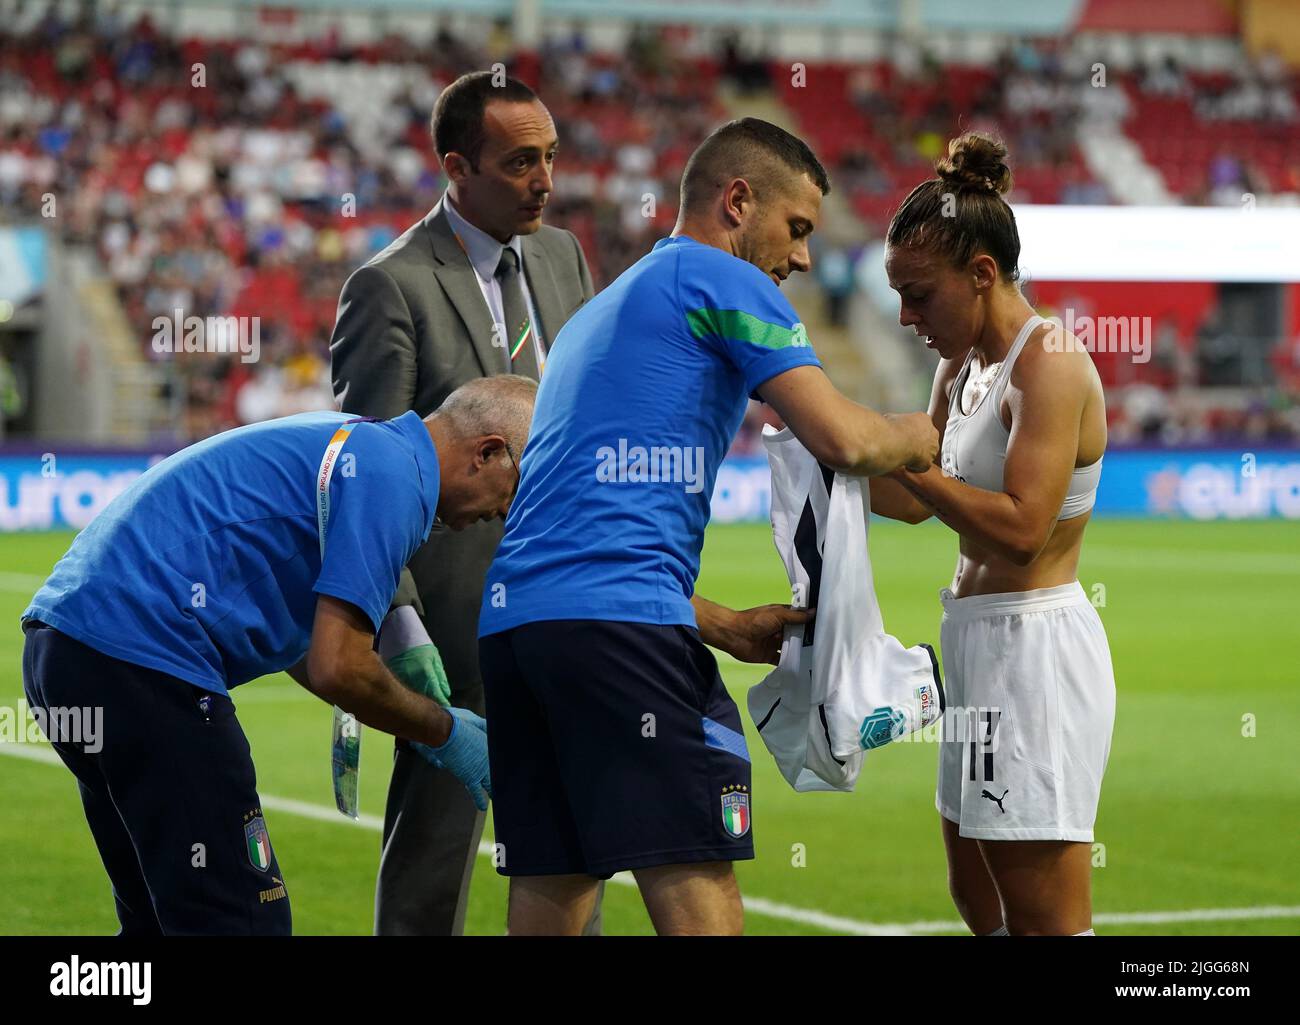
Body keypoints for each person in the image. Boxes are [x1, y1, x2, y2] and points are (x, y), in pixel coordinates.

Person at [477, 117, 939, 936]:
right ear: (737, 201)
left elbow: (577, 541)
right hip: (622, 634)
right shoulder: (721, 283)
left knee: (559, 874)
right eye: (796, 229)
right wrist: (935, 428)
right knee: (693, 866)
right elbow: (846, 439)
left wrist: (720, 624)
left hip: (521, 630)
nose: (801, 257)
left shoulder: (600, 311)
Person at [20, 376, 535, 935]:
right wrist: (443, 732)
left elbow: (307, 645)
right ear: (487, 452)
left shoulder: (360, 443)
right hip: (140, 660)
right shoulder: (395, 481)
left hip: (68, 648)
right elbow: (337, 665)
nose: (504, 514)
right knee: (242, 921)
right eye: (516, 489)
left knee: (156, 924)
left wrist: (395, 704)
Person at [329, 72, 603, 936]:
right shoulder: (391, 285)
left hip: (567, 607)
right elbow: (364, 472)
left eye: (551, 157)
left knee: (576, 847)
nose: (545, 180)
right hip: (454, 626)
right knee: (433, 864)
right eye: (521, 161)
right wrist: (401, 628)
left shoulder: (562, 258)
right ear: (457, 166)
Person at [871, 132, 1115, 936]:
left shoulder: (1050, 361)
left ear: (981, 275)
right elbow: (913, 502)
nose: (906, 316)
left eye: (918, 294)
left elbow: (1020, 530)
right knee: (976, 894)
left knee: (1045, 915)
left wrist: (908, 464)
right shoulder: (961, 364)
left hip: (1034, 655)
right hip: (974, 642)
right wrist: (823, 461)